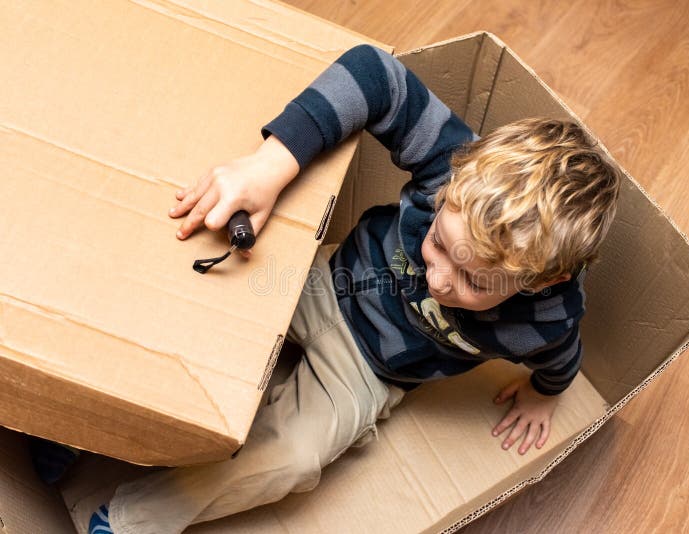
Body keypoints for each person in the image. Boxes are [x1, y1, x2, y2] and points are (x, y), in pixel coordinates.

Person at [88, 44, 621, 534]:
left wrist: (543, 396)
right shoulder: (452, 165)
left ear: (540, 281)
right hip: (322, 278)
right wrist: (270, 165)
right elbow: (373, 72)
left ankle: (132, 519)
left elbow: (560, 360)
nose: (437, 281)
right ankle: (97, 412)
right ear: (455, 180)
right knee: (192, 289)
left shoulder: (547, 317)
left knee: (291, 457)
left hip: (369, 370)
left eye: (474, 282)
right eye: (437, 241)